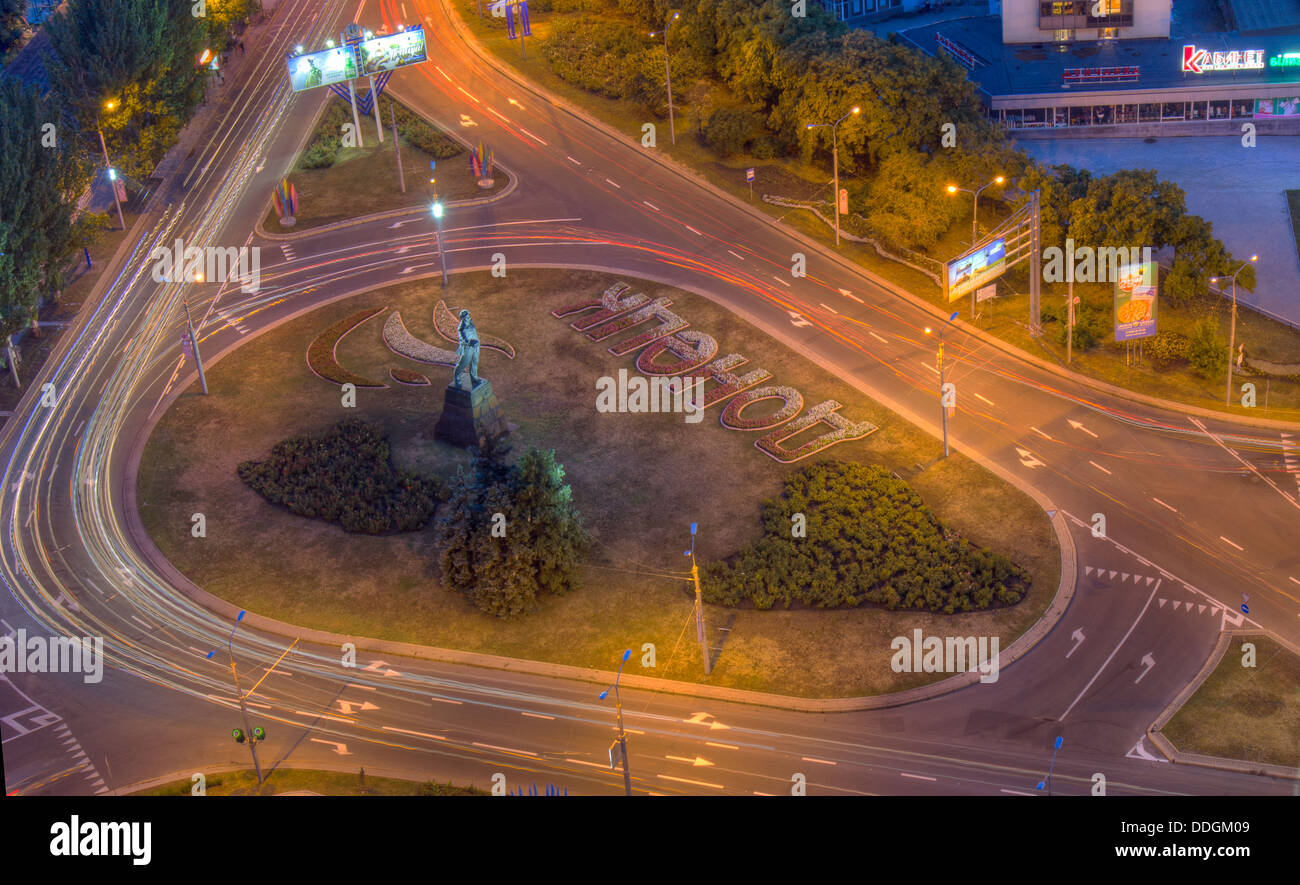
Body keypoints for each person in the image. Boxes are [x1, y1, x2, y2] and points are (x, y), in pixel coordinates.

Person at [452, 309, 481, 389]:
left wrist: (476, 341)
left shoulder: (471, 322)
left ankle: (474, 378)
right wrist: (469, 342)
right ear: (462, 318)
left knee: (475, 362)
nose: (468, 317)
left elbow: (474, 332)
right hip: (468, 347)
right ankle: (457, 378)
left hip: (476, 345)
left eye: (468, 315)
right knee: (463, 363)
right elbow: (463, 339)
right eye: (466, 316)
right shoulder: (461, 328)